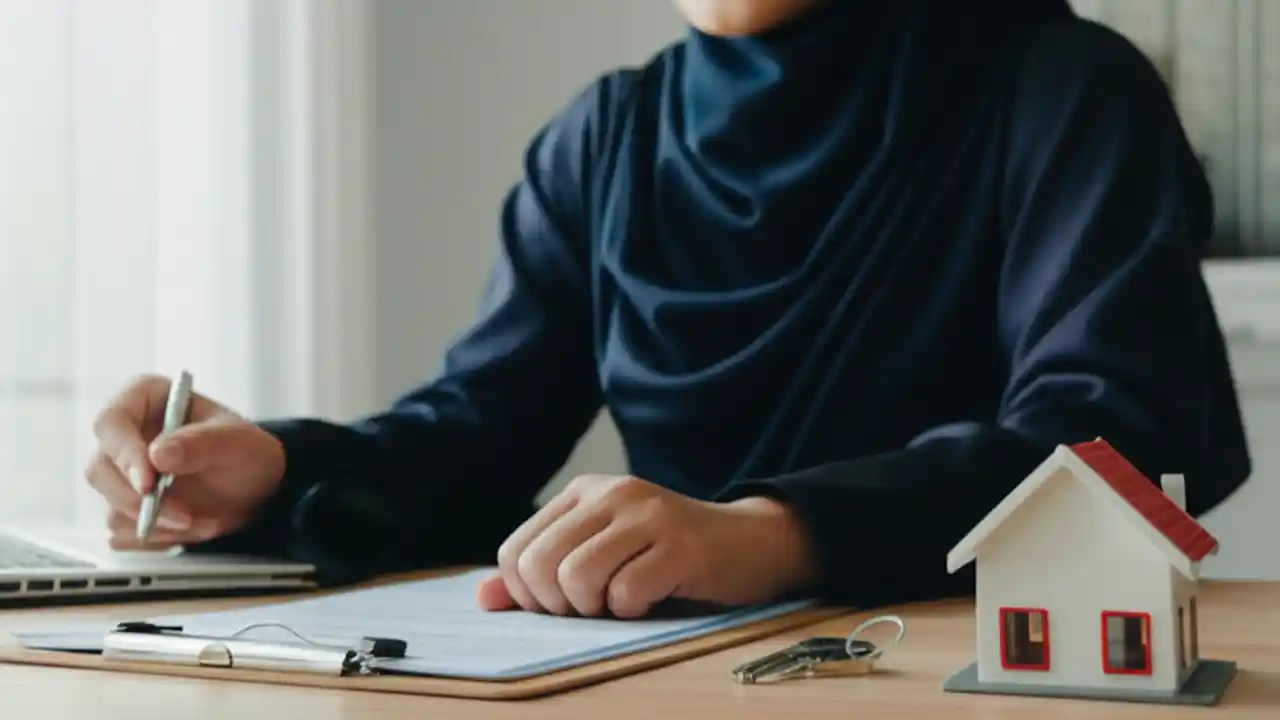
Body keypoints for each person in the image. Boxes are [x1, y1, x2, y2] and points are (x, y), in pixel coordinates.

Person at [86, 0, 1250, 618]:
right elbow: (479, 435)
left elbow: (1105, 443)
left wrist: (771, 536)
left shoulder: (1062, 90)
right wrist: (273, 468)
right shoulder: (609, 136)